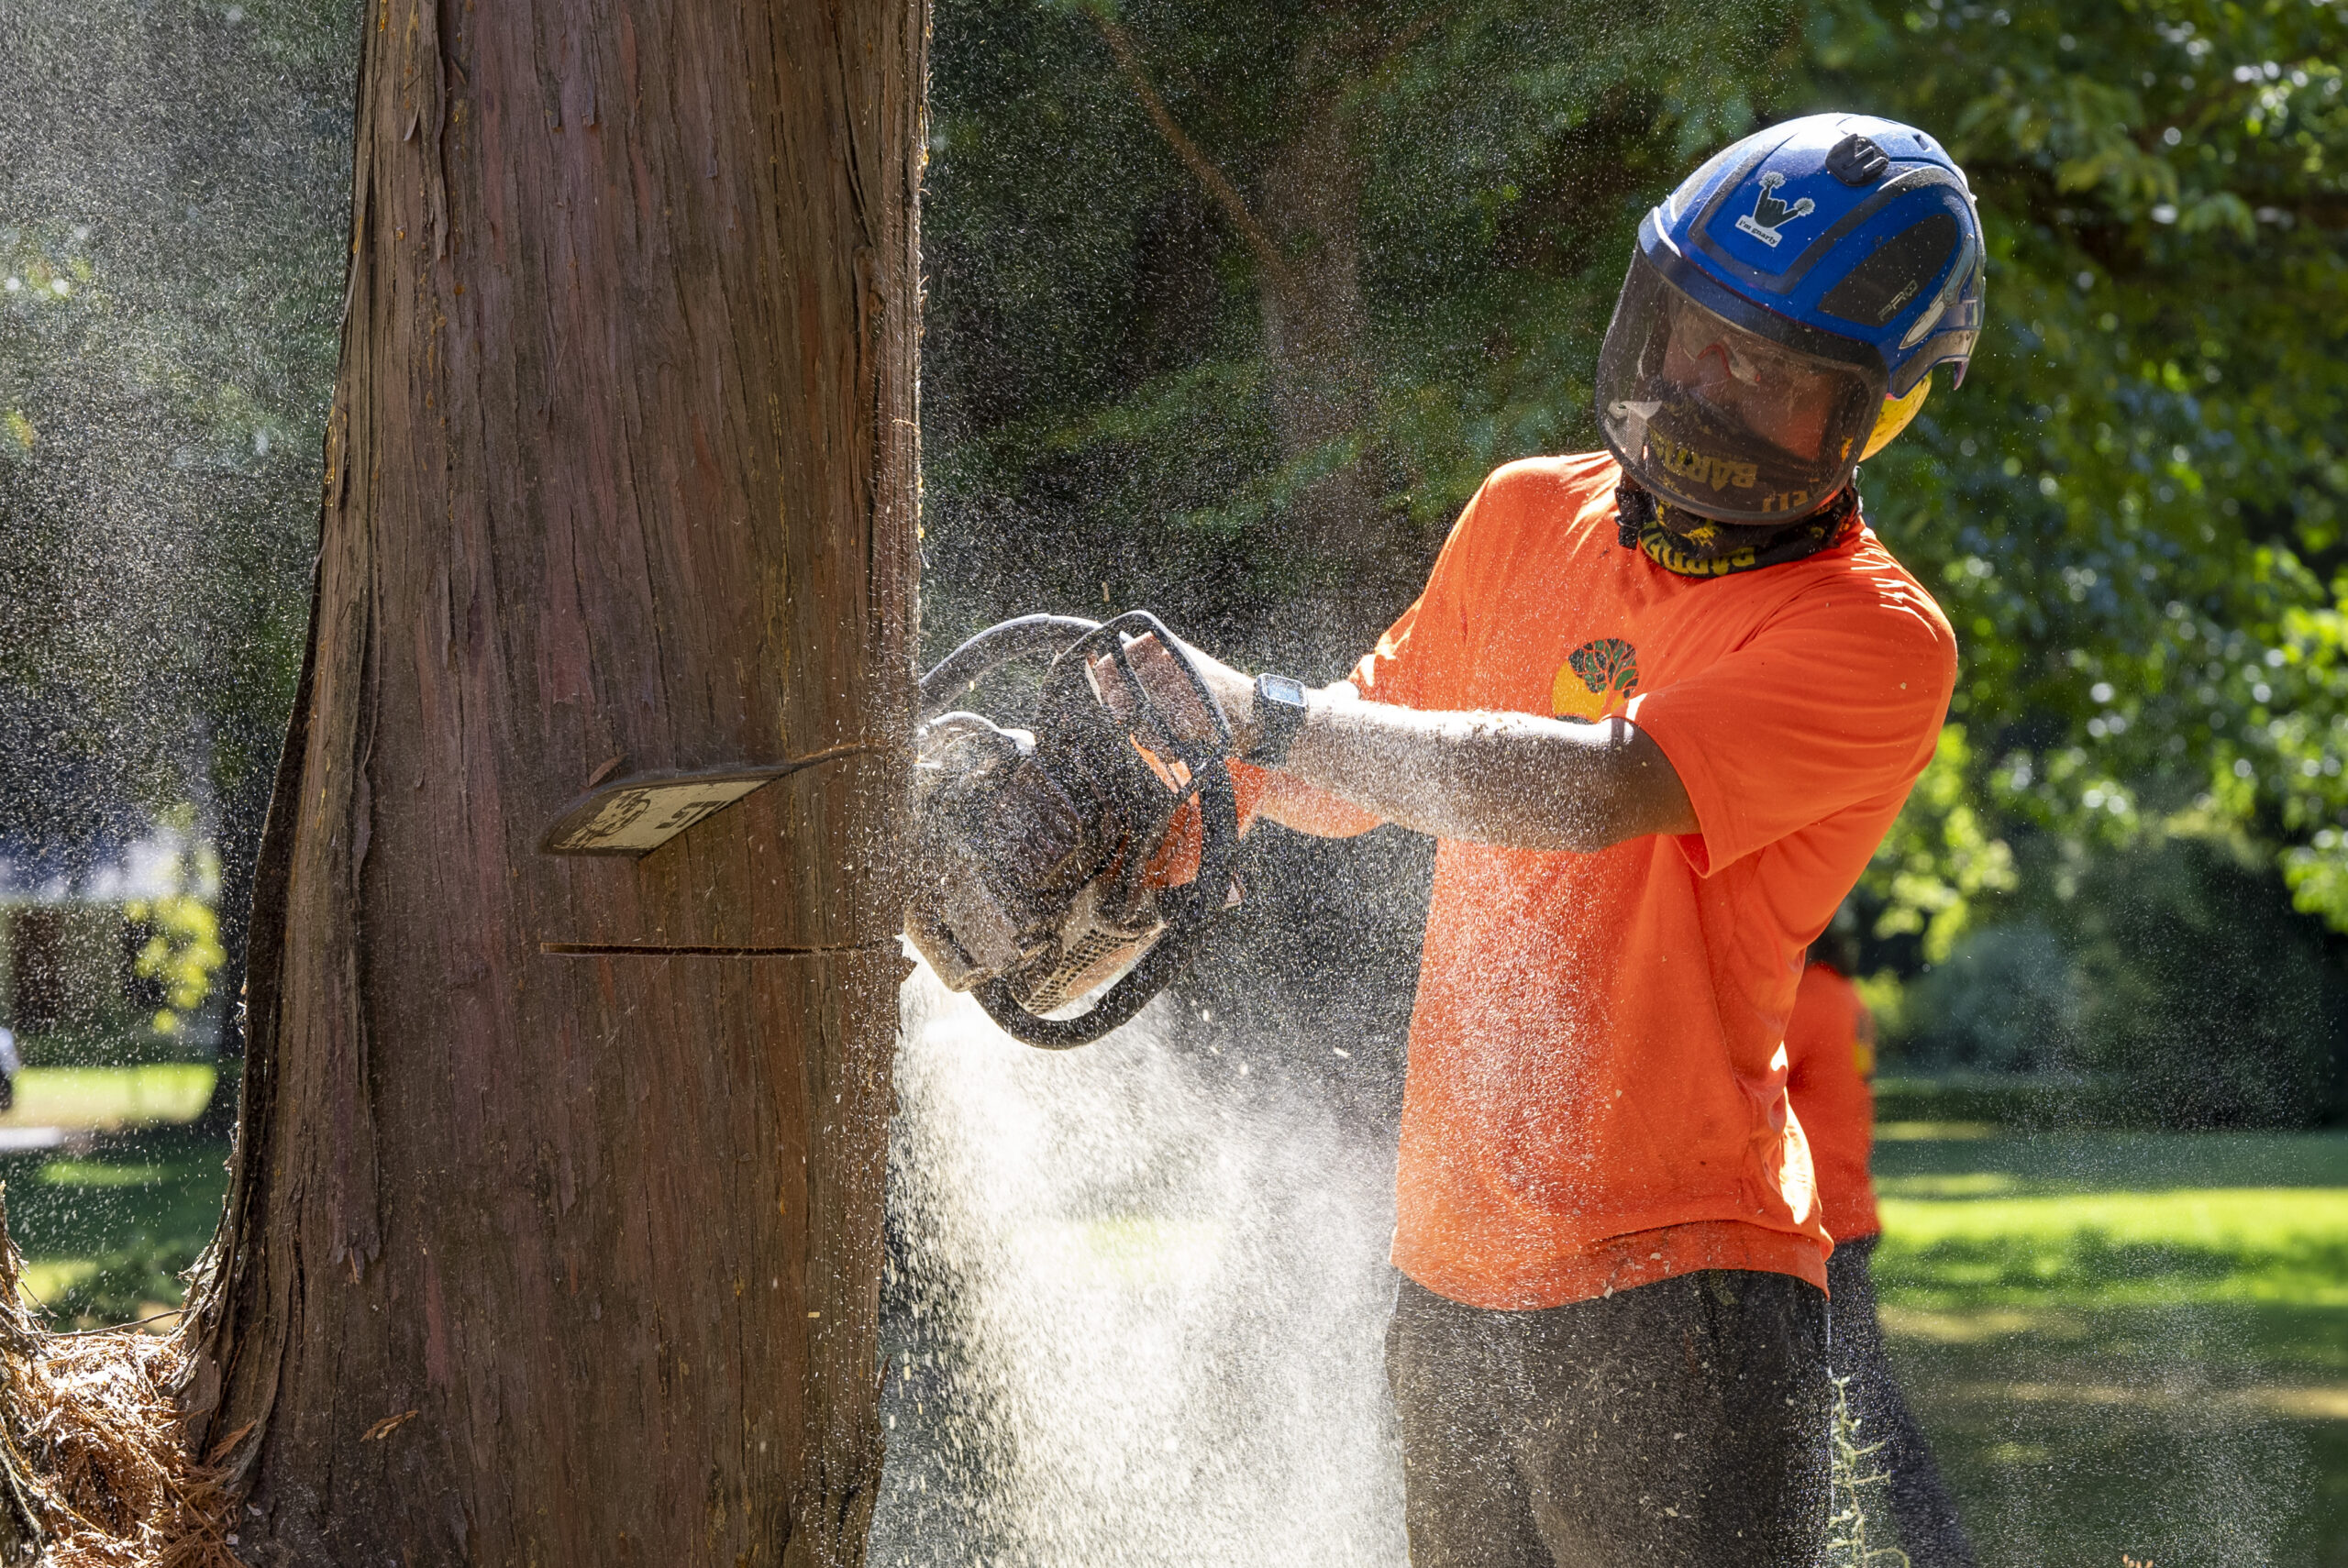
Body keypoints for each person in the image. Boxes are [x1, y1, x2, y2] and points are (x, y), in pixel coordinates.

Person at [1142, 112, 1986, 1565]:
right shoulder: (1528, 515)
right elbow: (1367, 749)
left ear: (1874, 411)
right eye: (1694, 331)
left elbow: (1589, 788)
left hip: (1680, 1282)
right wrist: (1201, 782)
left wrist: (1262, 718)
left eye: (1775, 372)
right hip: (1453, 1269)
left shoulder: (1872, 633)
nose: (1708, 383)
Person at [1786, 913, 1977, 1568]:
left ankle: (1940, 1552)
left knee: (1865, 1405)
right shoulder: (1842, 996)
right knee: (1852, 1399)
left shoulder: (1805, 1001)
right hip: (1843, 1220)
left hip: (1823, 1229)